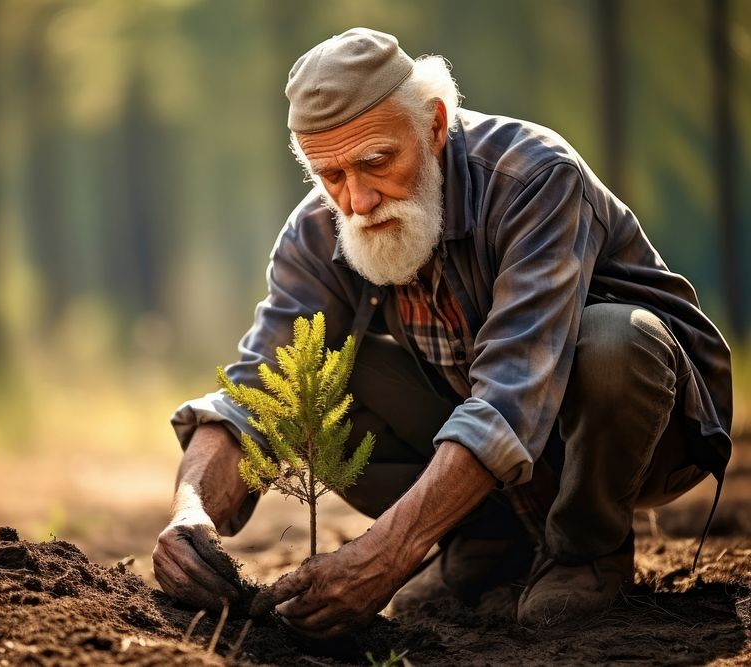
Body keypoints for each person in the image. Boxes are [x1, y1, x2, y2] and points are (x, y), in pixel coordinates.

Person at [152, 28, 733, 637]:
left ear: (433, 125)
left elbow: (513, 392)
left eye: (377, 161)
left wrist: (388, 554)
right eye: (331, 174)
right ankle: (487, 545)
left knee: (617, 340)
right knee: (320, 372)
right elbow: (257, 391)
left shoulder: (533, 178)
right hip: (500, 446)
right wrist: (190, 512)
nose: (359, 199)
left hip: (648, 431)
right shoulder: (318, 233)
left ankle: (586, 550)